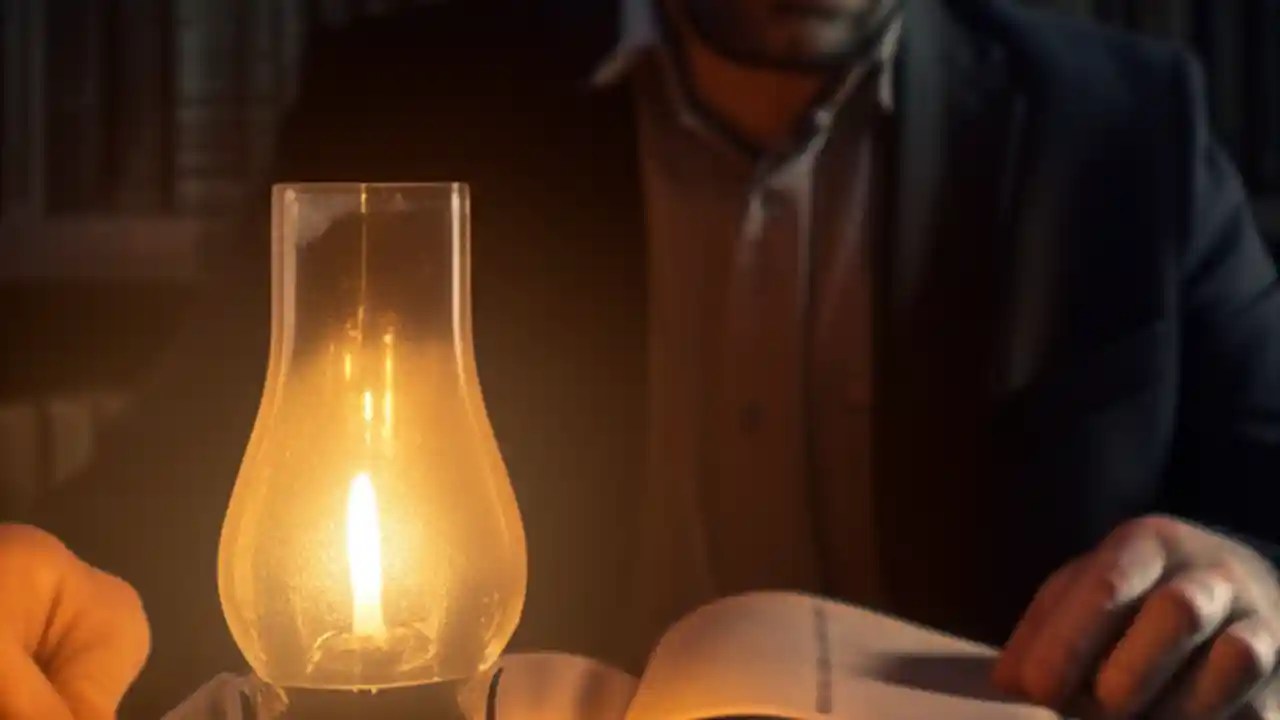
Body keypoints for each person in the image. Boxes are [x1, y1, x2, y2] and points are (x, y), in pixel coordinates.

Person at [9, 0, 1280, 717]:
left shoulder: (1122, 125)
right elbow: (169, 486)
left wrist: (1250, 576)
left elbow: (1266, 478)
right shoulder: (408, 94)